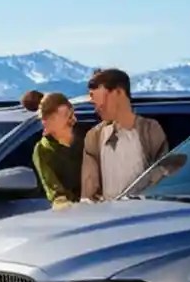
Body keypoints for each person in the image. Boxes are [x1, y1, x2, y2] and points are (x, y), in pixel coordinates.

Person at [81, 67, 167, 201]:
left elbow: (163, 179)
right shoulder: (95, 136)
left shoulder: (150, 130)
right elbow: (89, 190)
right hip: (109, 210)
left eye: (102, 101)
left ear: (119, 92)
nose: (97, 109)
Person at [22, 90, 81, 208]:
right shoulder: (43, 150)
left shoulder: (86, 138)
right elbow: (54, 189)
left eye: (68, 115)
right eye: (46, 118)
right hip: (71, 209)